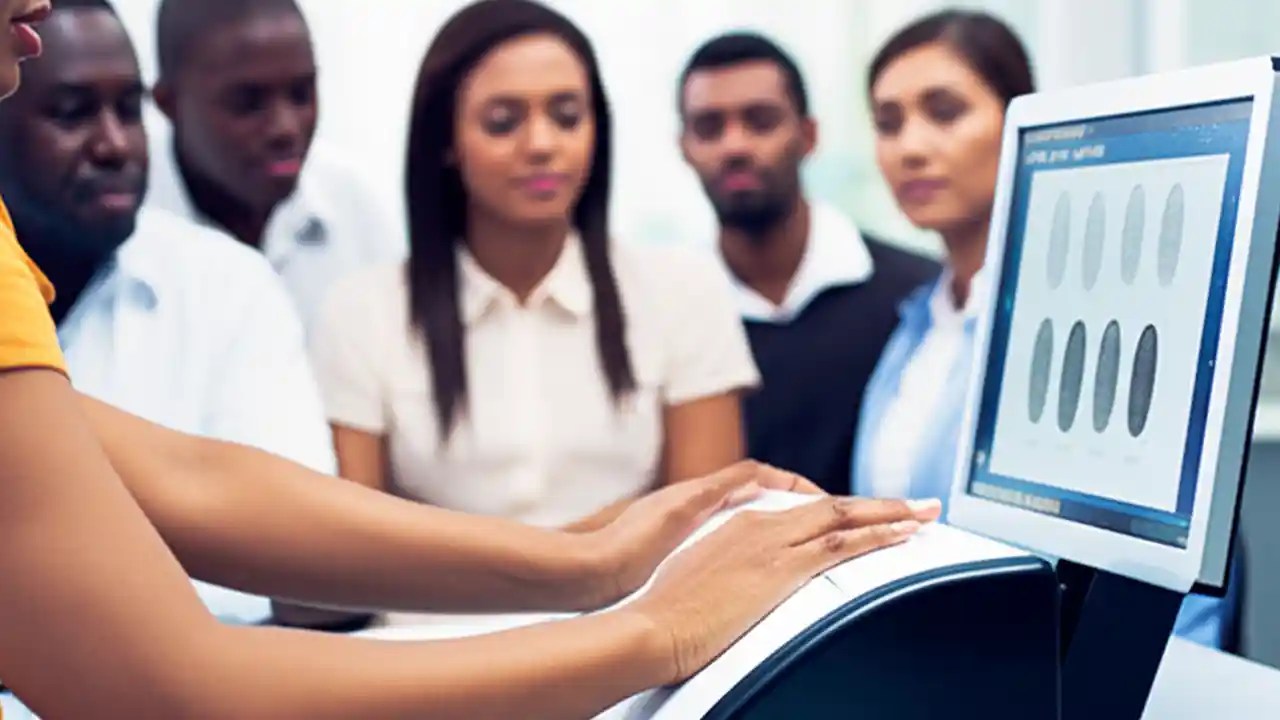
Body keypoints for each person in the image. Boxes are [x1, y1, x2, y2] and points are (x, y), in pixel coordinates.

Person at [0, 2, 941, 715]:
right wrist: (648, 623)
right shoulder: (367, 307)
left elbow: (185, 478)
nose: (42, 3)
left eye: (566, 112)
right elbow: (172, 683)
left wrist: (595, 563)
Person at [849, 9, 1238, 650]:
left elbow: (1169, 589)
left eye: (944, 111)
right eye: (888, 123)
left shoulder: (1086, 329)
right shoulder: (916, 323)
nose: (910, 146)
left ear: (1020, 120)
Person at [309, 0, 758, 538]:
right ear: (446, 142)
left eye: (567, 116)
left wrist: (487, 561)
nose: (542, 145)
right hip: (431, 624)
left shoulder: (682, 290)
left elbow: (705, 521)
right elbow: (349, 546)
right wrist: (597, 546)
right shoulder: (362, 311)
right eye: (503, 123)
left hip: (637, 616)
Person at [0, 0, 348, 632]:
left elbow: (299, 555)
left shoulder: (226, 281)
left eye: (128, 110)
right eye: (72, 114)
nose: (115, 144)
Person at [678, 32, 938, 494]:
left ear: (809, 135)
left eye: (760, 121)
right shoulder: (669, 313)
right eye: (708, 127)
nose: (734, 145)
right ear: (684, 148)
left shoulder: (918, 298)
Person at [147, 0, 404, 330]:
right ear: (169, 104)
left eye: (301, 94)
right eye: (247, 103)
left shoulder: (354, 208)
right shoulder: (126, 227)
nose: (286, 128)